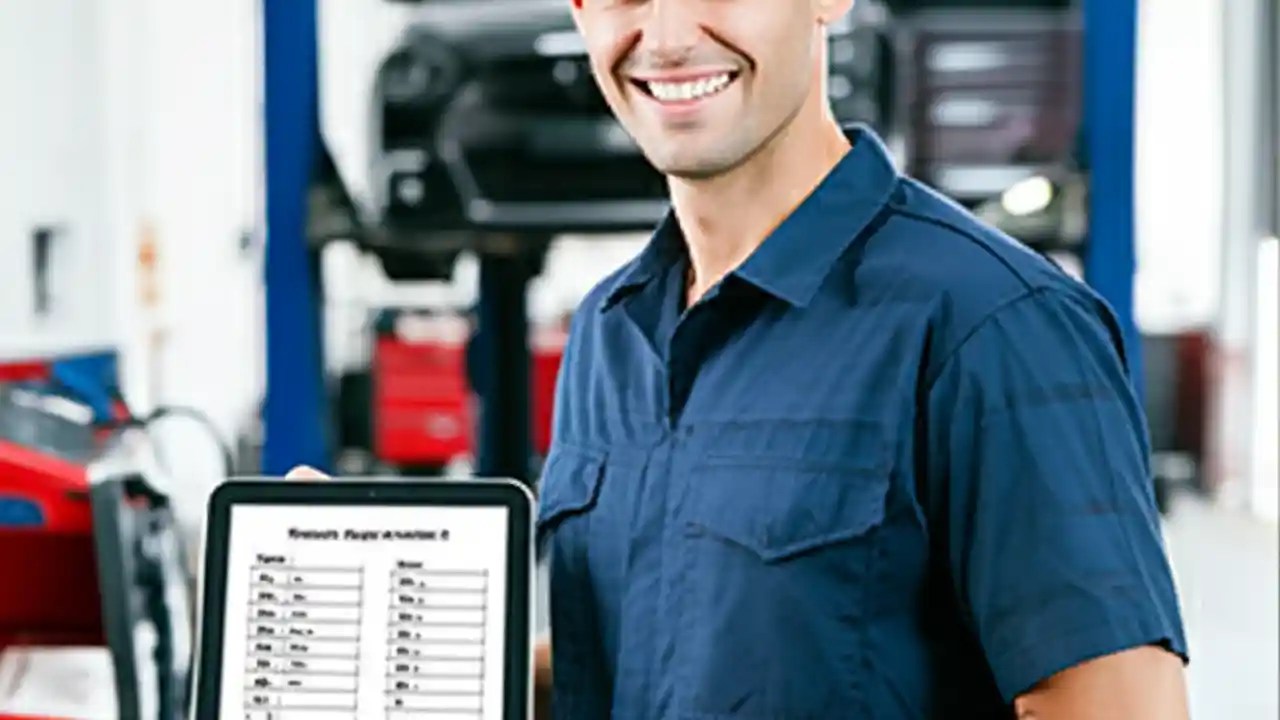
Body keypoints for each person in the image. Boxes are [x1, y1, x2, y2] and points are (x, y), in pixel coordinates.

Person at [298, 0, 1192, 716]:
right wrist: (381, 615)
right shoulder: (611, 333)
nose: (668, 36)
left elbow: (1120, 708)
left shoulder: (994, 325)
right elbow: (651, 657)